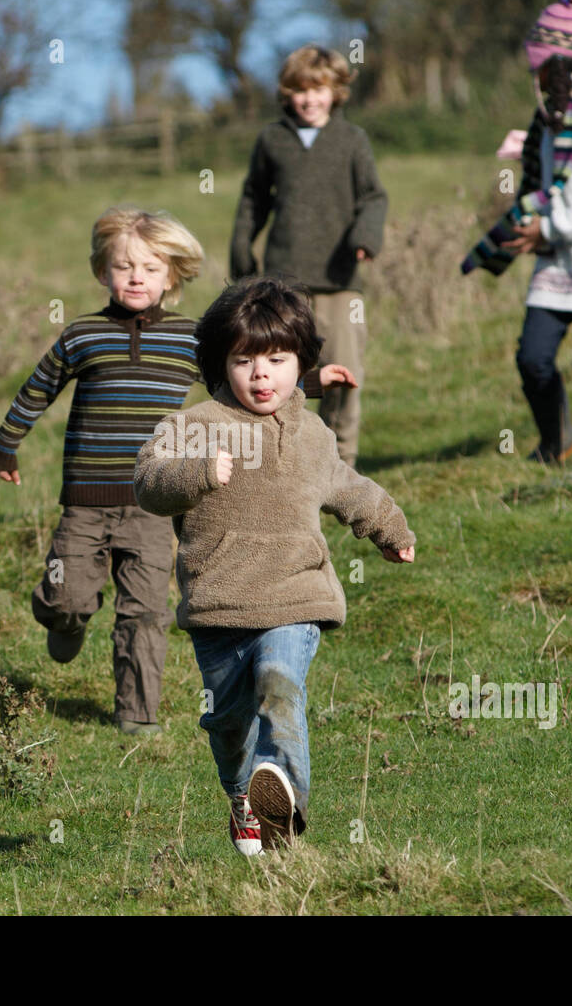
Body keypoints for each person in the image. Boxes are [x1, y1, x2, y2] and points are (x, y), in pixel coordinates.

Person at [0, 207, 353, 736]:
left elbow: (245, 383)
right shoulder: (82, 335)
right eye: (124, 266)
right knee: (69, 592)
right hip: (87, 499)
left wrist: (312, 383)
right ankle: (62, 617)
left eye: (151, 268)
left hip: (159, 500)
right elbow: (37, 389)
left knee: (145, 610)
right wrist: (6, 445)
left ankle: (137, 714)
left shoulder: (190, 339)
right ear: (102, 272)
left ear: (174, 275)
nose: (137, 277)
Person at [133, 277, 415, 855]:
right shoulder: (196, 425)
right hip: (218, 608)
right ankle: (244, 797)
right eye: (245, 360)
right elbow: (147, 481)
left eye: (277, 359)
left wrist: (390, 528)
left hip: (295, 598)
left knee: (279, 687)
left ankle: (284, 801)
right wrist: (197, 474)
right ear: (220, 364)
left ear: (300, 362)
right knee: (229, 724)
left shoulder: (312, 434)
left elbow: (348, 487)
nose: (262, 374)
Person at [462, 0, 572, 472]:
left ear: (555, 59)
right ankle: (556, 441)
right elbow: (543, 186)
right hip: (558, 263)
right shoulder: (548, 119)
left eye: (538, 60)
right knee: (533, 358)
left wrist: (551, 228)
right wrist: (518, 231)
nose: (533, 71)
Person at [230, 44, 388, 469]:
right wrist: (242, 248)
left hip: (340, 282)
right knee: (277, 379)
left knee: (343, 377)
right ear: (287, 92)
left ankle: (341, 471)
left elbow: (373, 196)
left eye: (319, 88)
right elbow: (253, 199)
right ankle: (275, 467)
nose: (310, 98)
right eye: (300, 90)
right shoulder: (271, 139)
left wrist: (366, 237)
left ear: (336, 91)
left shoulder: (352, 140)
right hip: (282, 285)